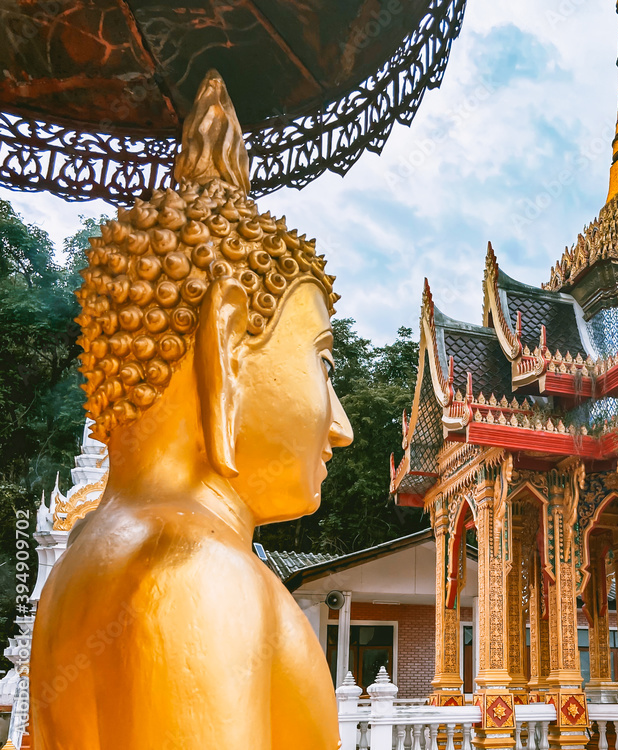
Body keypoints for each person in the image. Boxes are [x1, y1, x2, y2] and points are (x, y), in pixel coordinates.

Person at [31, 71, 352, 749]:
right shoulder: (195, 574)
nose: (341, 425)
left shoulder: (75, 570)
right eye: (323, 364)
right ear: (227, 350)